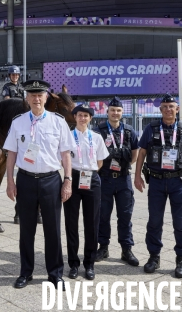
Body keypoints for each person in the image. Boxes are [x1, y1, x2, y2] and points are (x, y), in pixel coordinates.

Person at [5, 79, 75, 290]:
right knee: (26, 230)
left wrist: (68, 181)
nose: (36, 98)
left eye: (40, 95)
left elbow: (66, 154)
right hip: (25, 180)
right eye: (32, 95)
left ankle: (55, 274)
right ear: (26, 98)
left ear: (46, 97)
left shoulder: (58, 122)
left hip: (51, 181)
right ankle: (26, 273)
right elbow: (11, 153)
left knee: (53, 230)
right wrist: (9, 181)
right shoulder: (18, 122)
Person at [134, 94, 182, 278]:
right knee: (154, 221)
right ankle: (154, 257)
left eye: (171, 106)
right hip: (155, 181)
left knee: (181, 222)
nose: (168, 109)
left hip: (178, 182)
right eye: (164, 106)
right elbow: (142, 153)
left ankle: (181, 258)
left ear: (177, 109)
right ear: (160, 109)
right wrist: (137, 176)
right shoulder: (151, 128)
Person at [64, 104, 109, 280]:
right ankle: (73, 263)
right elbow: (63, 159)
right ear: (74, 117)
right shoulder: (67, 137)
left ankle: (89, 263)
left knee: (92, 223)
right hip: (72, 179)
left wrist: (88, 172)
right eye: (79, 115)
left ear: (90, 118)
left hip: (91, 179)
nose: (82, 118)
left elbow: (100, 163)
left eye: (86, 116)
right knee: (71, 223)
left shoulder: (97, 138)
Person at [94, 96, 140, 267]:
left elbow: (135, 153)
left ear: (122, 112)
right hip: (104, 178)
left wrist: (124, 164)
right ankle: (103, 247)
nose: (115, 113)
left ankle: (126, 249)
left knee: (125, 216)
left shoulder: (129, 131)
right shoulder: (99, 131)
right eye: (112, 110)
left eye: (118, 110)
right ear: (107, 112)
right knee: (103, 215)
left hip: (123, 179)